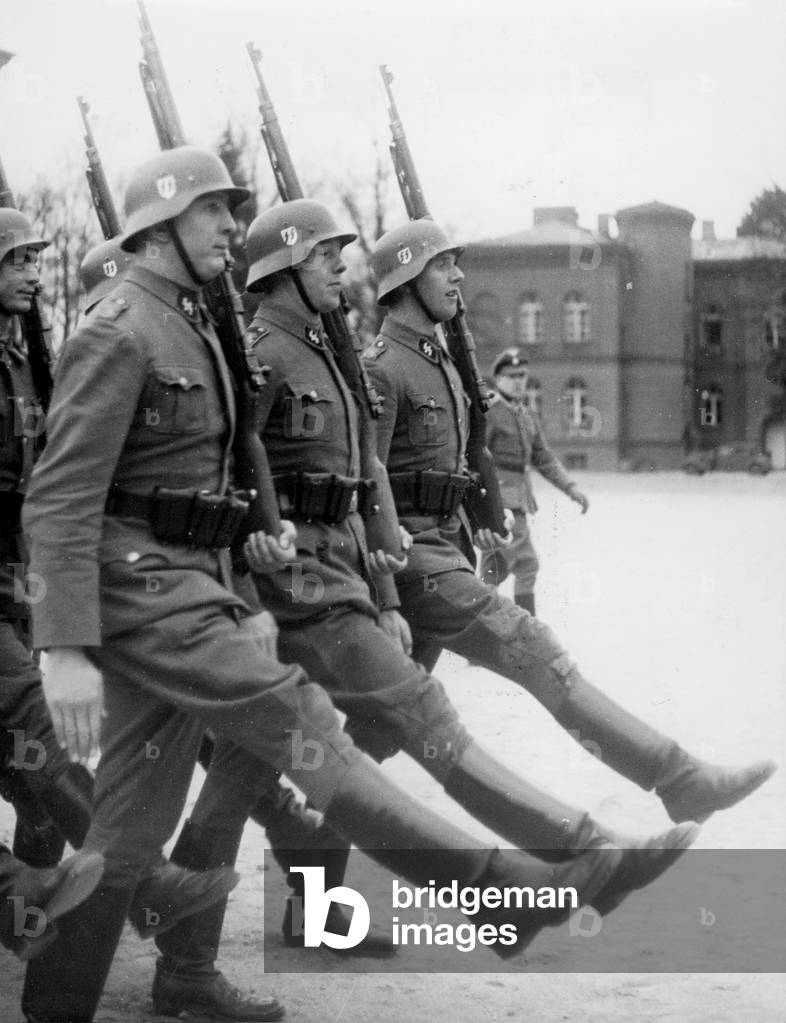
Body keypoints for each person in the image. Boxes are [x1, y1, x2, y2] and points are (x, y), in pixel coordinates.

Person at [19, 148, 627, 1023]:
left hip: (195, 585)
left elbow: (211, 484)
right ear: (157, 226)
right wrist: (65, 646)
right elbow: (60, 494)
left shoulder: (191, 326)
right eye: (211, 210)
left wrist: (241, 588)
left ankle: (57, 999)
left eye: (232, 209)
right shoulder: (118, 329)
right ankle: (492, 888)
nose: (232, 225)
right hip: (142, 590)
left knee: (129, 819)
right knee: (302, 718)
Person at [150, 198, 697, 1019]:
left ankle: (194, 961)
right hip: (294, 592)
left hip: (337, 577)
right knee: (417, 707)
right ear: (285, 265)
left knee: (240, 772)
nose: (342, 265)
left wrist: (378, 587)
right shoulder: (261, 355)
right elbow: (222, 476)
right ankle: (569, 853)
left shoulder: (323, 349)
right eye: (325, 254)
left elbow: (362, 481)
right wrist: (239, 595)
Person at [357, 218, 776, 822]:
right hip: (415, 559)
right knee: (531, 645)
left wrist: (481, 516)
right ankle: (677, 778)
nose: (459, 275)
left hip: (448, 546)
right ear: (405, 279)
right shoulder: (382, 367)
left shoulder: (441, 361)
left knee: (377, 725)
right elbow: (367, 478)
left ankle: (300, 860)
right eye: (442, 265)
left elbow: (456, 460)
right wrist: (386, 594)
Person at [0, 211, 233, 941]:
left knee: (33, 736)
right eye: (14, 260)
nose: (31, 272)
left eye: (35, 258)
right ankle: (128, 885)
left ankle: (51, 896)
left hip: (15, 570)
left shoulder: (21, 356)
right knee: (32, 711)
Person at [479, 346, 589, 615]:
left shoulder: (526, 414)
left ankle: (480, 627)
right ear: (498, 379)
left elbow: (544, 458)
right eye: (512, 376)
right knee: (526, 564)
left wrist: (571, 488)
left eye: (522, 376)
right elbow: (476, 455)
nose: (519, 381)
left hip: (518, 498)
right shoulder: (490, 411)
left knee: (495, 568)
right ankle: (525, 630)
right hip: (501, 500)